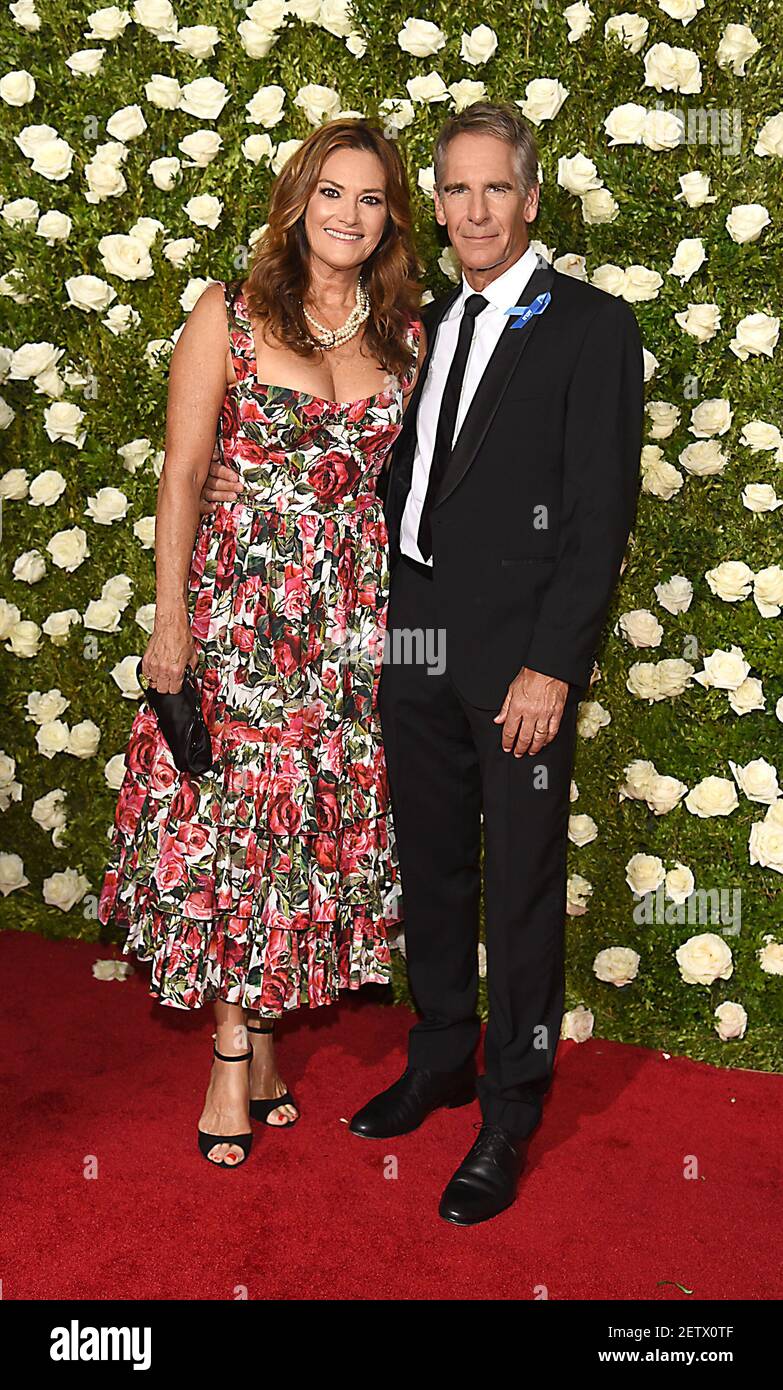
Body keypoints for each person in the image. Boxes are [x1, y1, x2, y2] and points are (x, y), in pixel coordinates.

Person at [203, 101, 644, 1223]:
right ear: (434, 206)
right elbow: (359, 466)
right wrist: (232, 481)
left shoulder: (592, 325)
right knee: (431, 865)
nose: (476, 208)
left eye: (497, 188)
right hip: (413, 639)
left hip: (520, 666)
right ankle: (443, 1051)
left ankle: (510, 1104)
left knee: (524, 883)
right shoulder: (416, 321)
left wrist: (555, 665)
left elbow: (601, 513)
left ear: (531, 199)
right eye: (455, 188)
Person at [98, 118, 424, 1170]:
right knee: (236, 824)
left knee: (301, 828)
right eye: (332, 191)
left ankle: (270, 1039)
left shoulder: (406, 336)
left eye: (370, 199)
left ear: (389, 220)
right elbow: (185, 475)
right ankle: (230, 1056)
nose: (348, 214)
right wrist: (169, 621)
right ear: (300, 199)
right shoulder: (229, 316)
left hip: (345, 625)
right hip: (242, 606)